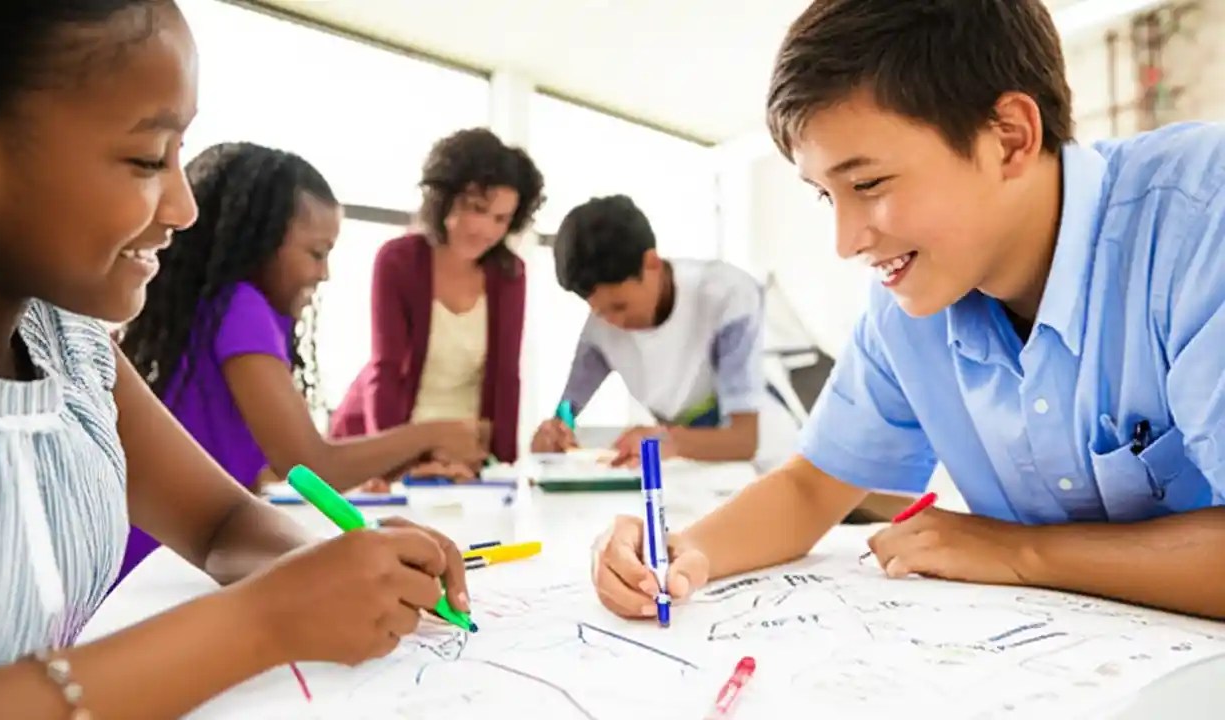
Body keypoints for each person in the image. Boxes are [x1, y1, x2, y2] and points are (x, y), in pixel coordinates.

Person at [590, 0, 1225, 623]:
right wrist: (679, 552)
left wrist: (1020, 552)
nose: (845, 242)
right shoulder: (910, 306)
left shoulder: (1200, 220)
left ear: (1009, 139)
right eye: (825, 195)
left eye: (867, 184)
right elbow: (811, 487)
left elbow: (1014, 553)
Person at [0, 2, 472, 716]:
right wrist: (264, 621)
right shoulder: (235, 311)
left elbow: (221, 519)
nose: (183, 208)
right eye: (146, 159)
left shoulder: (72, 347)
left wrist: (330, 569)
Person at [117, 141, 488, 579]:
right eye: (316, 253)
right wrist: (435, 433)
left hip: (177, 559)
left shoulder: (222, 311)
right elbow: (311, 465)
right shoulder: (242, 309)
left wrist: (405, 461)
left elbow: (256, 468)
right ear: (260, 243)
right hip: (156, 568)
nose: (323, 273)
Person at [530, 195, 804, 473]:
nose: (614, 322)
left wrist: (662, 440)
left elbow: (743, 439)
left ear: (652, 263)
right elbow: (568, 410)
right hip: (698, 470)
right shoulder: (600, 332)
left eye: (620, 306)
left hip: (772, 463)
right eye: (600, 312)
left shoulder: (726, 295)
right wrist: (556, 431)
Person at [329, 128, 545, 479]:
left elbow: (507, 378)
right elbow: (386, 369)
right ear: (444, 199)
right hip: (388, 441)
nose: (486, 230)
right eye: (477, 209)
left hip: (462, 454)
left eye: (501, 219)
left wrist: (502, 470)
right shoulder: (397, 261)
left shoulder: (510, 276)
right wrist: (391, 467)